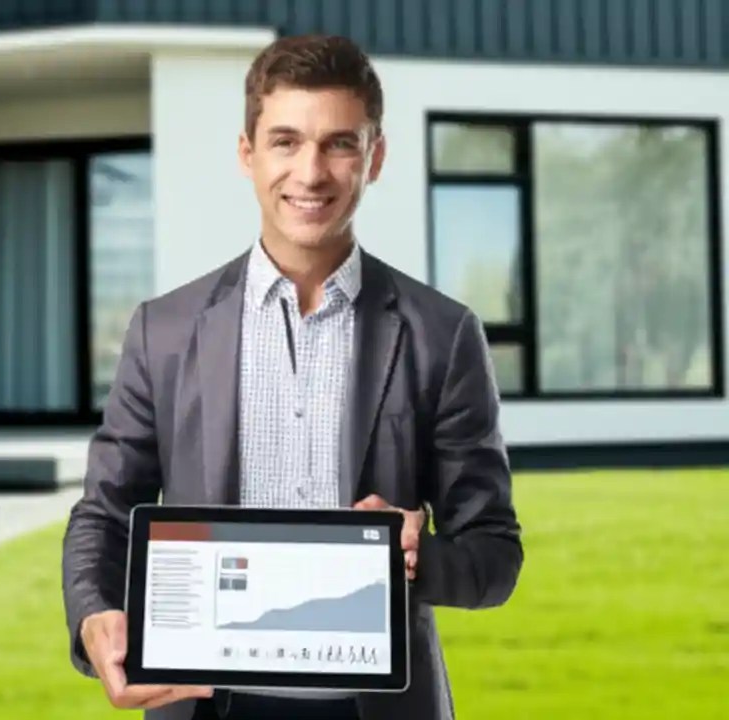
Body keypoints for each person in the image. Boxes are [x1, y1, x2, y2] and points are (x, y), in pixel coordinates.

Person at [61, 33, 523, 720]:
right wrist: (96, 614)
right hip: (206, 706)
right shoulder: (165, 330)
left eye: (340, 143)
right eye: (285, 141)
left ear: (376, 157)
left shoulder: (441, 334)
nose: (311, 173)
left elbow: (494, 556)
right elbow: (105, 513)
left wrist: (415, 554)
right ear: (247, 153)